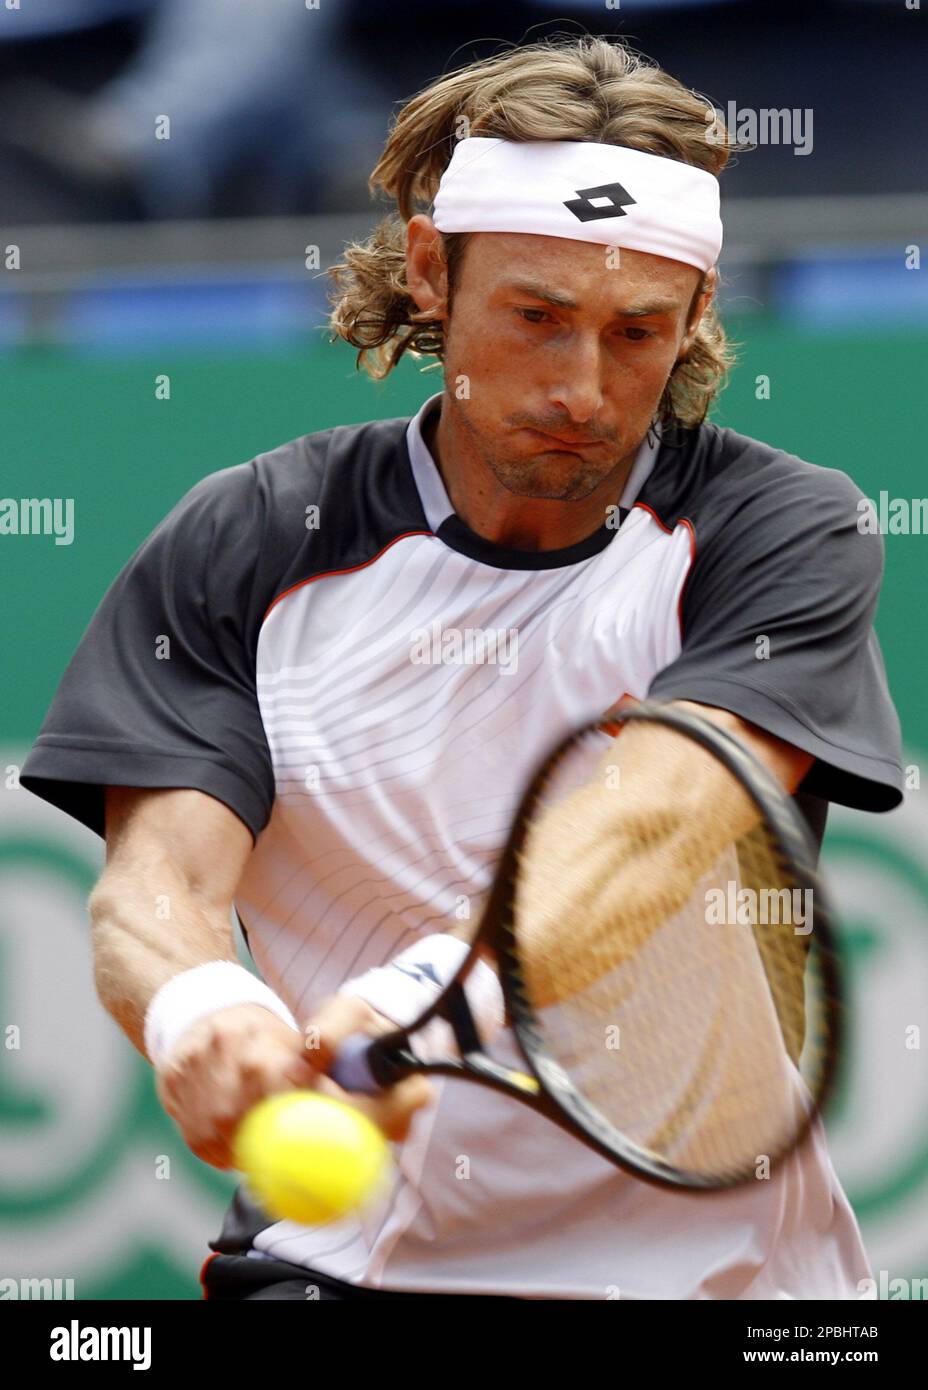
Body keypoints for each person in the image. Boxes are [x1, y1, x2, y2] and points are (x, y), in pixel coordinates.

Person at [22, 34, 902, 1300]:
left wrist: (431, 1000)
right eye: (536, 317)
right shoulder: (249, 536)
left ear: (699, 316)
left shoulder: (782, 529)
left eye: (638, 331)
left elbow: (661, 823)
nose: (583, 388)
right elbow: (155, 881)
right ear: (432, 270)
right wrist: (197, 1010)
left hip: (737, 1285)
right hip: (343, 1270)